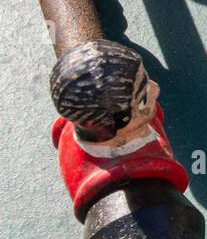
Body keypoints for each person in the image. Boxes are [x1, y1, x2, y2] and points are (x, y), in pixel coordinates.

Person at [49, 39, 188, 220]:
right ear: (112, 124)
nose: (156, 89)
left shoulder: (72, 124)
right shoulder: (136, 172)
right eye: (143, 97)